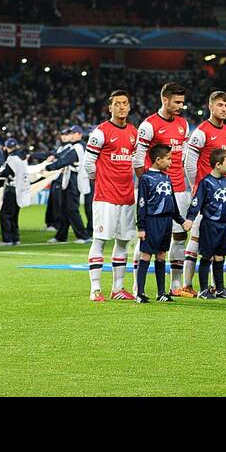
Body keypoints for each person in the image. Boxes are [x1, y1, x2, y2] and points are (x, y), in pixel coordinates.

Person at [133, 82, 192, 296]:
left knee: (179, 236)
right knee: (146, 239)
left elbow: (183, 157)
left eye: (182, 102)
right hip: (156, 190)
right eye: (177, 102)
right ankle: (137, 286)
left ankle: (175, 285)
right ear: (164, 100)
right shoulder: (149, 125)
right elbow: (138, 160)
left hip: (178, 187)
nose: (180, 106)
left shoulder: (184, 124)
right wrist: (150, 184)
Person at [83, 89, 139, 302]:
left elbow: (134, 162)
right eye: (117, 103)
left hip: (127, 197)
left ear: (129, 106)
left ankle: (118, 289)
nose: (121, 107)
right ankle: (95, 289)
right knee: (100, 240)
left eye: (124, 103)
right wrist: (102, 180)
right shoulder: (101, 132)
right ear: (110, 108)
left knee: (123, 242)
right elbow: (89, 164)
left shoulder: (133, 132)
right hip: (105, 197)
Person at [181, 90, 226, 293]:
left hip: (220, 196)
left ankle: (215, 286)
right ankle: (187, 285)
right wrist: (198, 187)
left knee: (217, 242)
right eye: (220, 105)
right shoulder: (201, 131)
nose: (224, 109)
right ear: (210, 106)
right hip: (205, 195)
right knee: (196, 239)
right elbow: (189, 163)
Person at [135, 143, 193, 303]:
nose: (171, 162)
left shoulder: (166, 178)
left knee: (161, 255)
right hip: (152, 221)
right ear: (158, 160)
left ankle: (161, 293)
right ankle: (140, 293)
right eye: (168, 159)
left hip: (166, 222)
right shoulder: (145, 178)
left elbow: (172, 203)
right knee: (146, 255)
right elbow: (142, 204)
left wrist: (181, 221)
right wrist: (141, 226)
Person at [187, 148, 226, 299]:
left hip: (224, 225)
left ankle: (219, 289)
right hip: (210, 224)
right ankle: (203, 290)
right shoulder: (206, 182)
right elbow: (197, 202)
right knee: (207, 256)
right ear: (218, 165)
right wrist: (190, 218)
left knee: (220, 257)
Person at [46, 125, 91, 243]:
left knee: (71, 208)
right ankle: (61, 235)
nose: (70, 135)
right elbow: (61, 156)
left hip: (74, 179)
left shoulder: (78, 147)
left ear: (79, 134)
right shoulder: (75, 146)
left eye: (73, 133)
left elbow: (65, 161)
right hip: (70, 178)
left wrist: (48, 167)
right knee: (64, 208)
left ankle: (84, 236)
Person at [0, 138, 27, 247]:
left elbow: (6, 172)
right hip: (20, 188)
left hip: (11, 189)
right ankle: (15, 238)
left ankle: (7, 239)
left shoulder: (11, 158)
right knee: (14, 215)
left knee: (5, 214)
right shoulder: (22, 157)